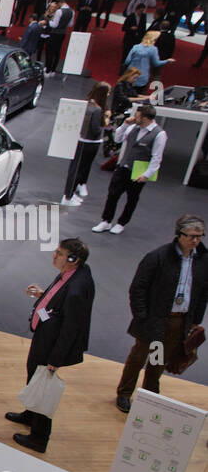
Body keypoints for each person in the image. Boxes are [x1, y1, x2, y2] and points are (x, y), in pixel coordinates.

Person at [5, 238, 95, 453]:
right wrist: (43, 295)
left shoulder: (77, 288)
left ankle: (39, 437)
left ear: (73, 260)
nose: (54, 255)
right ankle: (30, 415)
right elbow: (60, 305)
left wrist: (55, 359)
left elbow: (71, 328)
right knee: (34, 378)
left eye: (59, 253)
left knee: (43, 388)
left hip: (52, 345)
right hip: (45, 337)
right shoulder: (72, 274)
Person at [114, 216, 208, 412]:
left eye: (199, 236)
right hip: (153, 320)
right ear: (180, 235)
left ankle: (148, 394)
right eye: (192, 236)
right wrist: (142, 316)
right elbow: (138, 288)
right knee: (138, 358)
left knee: (159, 360)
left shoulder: (203, 260)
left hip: (178, 321)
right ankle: (124, 393)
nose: (196, 241)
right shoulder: (157, 256)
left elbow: (203, 292)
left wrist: (195, 320)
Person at [93, 104, 166, 235]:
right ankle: (106, 220)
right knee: (112, 194)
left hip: (138, 171)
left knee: (132, 198)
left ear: (145, 118)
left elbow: (156, 157)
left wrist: (147, 174)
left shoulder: (159, 134)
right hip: (123, 167)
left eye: (137, 116)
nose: (134, 118)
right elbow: (118, 139)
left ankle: (122, 223)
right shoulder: (132, 128)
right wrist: (125, 125)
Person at [62, 82, 111, 207]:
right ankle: (68, 196)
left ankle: (70, 195)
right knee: (79, 170)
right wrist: (106, 120)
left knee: (77, 169)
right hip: (89, 143)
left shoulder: (88, 104)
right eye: (108, 92)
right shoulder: (97, 109)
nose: (110, 94)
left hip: (82, 141)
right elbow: (96, 130)